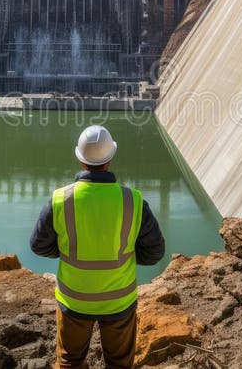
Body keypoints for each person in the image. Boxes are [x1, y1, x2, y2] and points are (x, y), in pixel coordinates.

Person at [30, 125, 165, 368]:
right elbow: (155, 252)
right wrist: (125, 258)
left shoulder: (60, 199)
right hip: (119, 301)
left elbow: (38, 245)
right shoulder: (132, 200)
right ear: (110, 158)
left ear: (81, 161)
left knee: (70, 361)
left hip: (74, 300)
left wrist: (67, 251)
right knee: (119, 363)